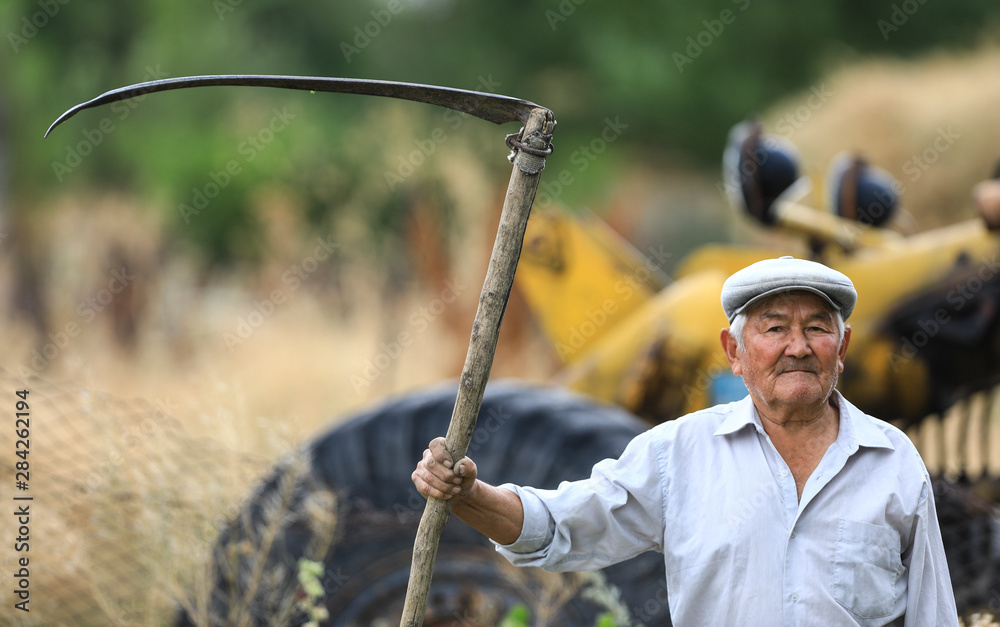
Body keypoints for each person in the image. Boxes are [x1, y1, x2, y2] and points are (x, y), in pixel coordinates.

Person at [412, 256, 958, 625]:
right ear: (734, 352)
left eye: (817, 328)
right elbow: (560, 527)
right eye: (774, 329)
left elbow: (933, 612)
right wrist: (469, 496)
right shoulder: (680, 454)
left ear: (842, 349)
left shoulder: (891, 461)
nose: (798, 346)